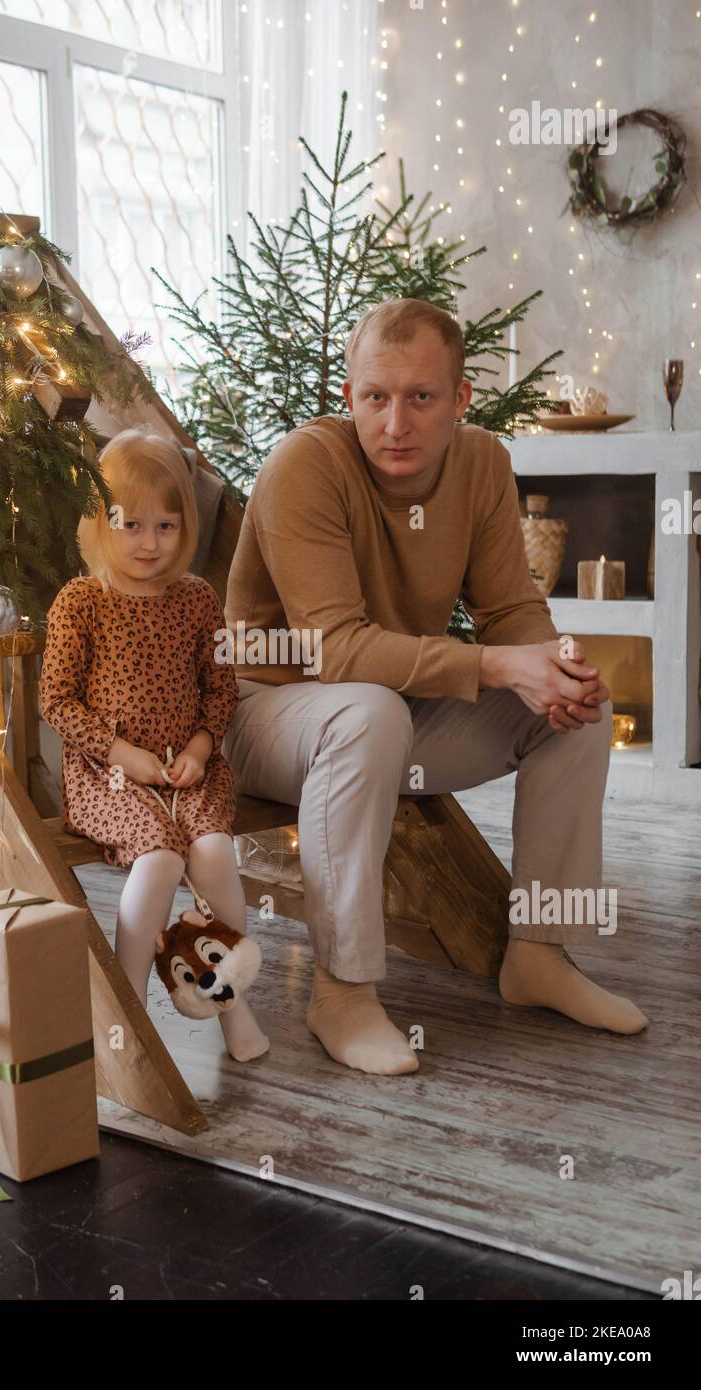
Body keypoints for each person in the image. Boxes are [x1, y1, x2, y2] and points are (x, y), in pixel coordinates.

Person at [222, 297, 647, 1077]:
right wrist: (492, 665)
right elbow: (337, 650)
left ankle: (538, 955)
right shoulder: (303, 467)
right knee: (368, 715)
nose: (395, 424)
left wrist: (551, 664)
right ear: (347, 398)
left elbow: (511, 606)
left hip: (387, 708)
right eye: (375, 398)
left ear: (461, 400)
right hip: (263, 712)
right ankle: (342, 993)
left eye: (421, 397)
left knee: (581, 714)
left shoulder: (482, 462)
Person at [40, 428, 269, 1062]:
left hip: (187, 772)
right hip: (107, 775)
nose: (149, 542)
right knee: (163, 859)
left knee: (216, 853)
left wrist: (198, 748)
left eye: (166, 527)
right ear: (101, 523)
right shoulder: (81, 602)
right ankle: (129, 1009)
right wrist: (123, 756)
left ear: (184, 528)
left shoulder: (196, 599)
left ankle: (229, 997)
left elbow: (220, 689)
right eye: (132, 524)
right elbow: (55, 701)